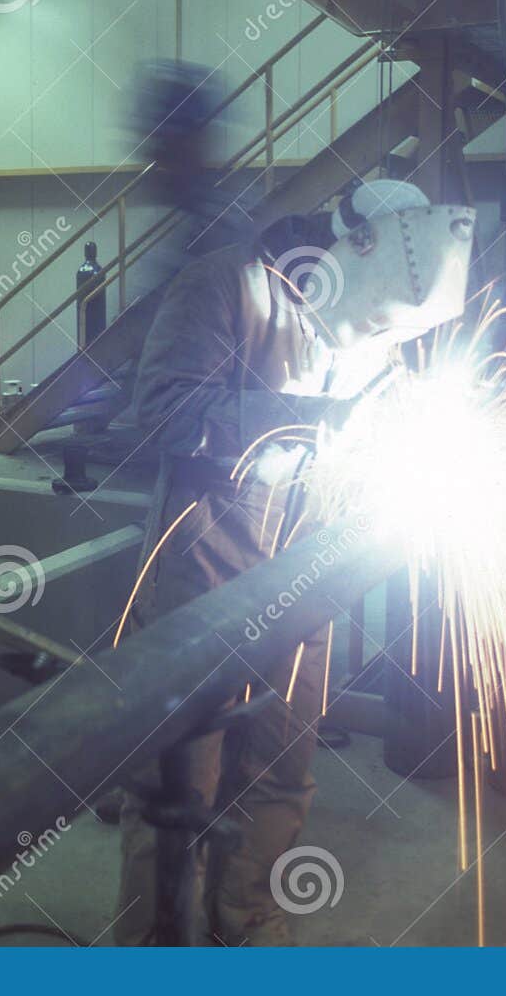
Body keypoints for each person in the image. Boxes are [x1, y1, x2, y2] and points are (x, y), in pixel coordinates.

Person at [113, 169, 435, 944]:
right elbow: (164, 416)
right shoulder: (225, 286)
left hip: (309, 580)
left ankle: (244, 927)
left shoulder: (381, 322)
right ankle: (157, 955)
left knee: (281, 772)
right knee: (181, 785)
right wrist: (317, 423)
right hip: (204, 577)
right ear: (349, 245)